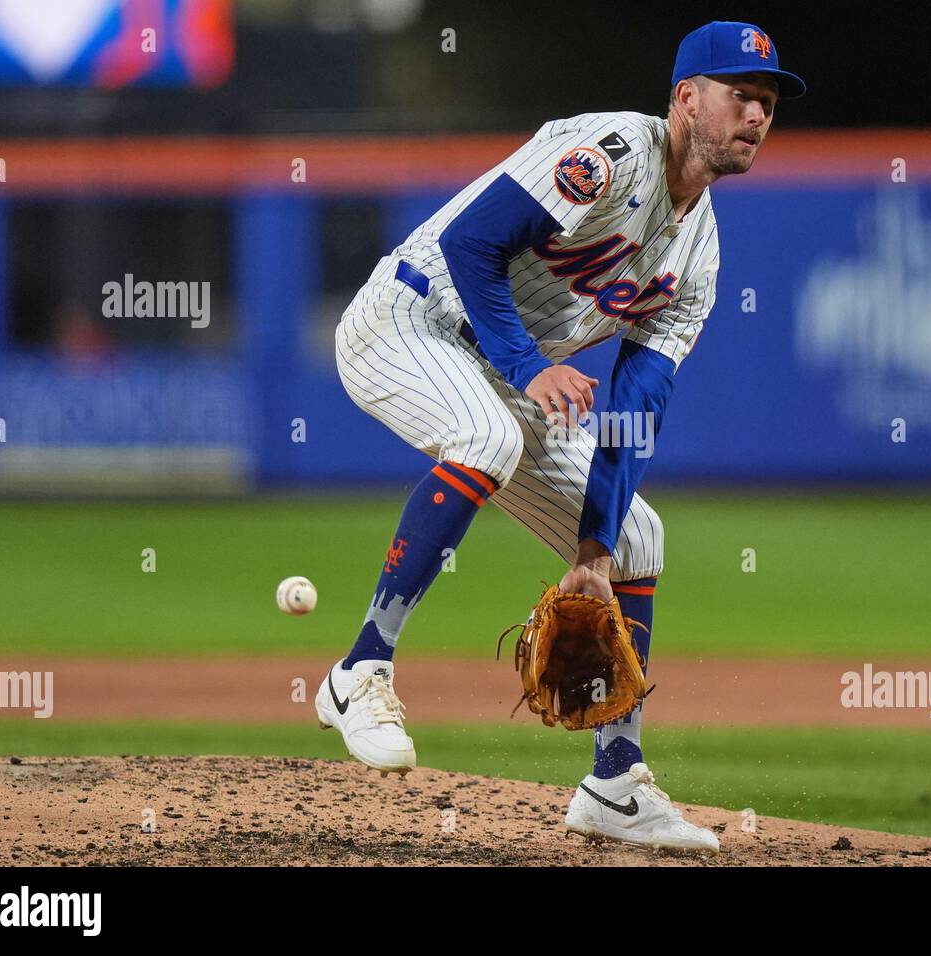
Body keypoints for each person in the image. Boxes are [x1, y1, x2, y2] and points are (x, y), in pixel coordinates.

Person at [318, 20, 805, 853]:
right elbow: (472, 243)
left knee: (639, 535)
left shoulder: (703, 256)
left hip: (505, 372)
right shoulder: (609, 152)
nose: (756, 115)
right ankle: (360, 669)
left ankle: (614, 781)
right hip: (408, 318)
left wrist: (593, 553)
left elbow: (638, 399)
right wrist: (528, 365)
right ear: (687, 99)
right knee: (486, 439)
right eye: (740, 96)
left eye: (766, 102)